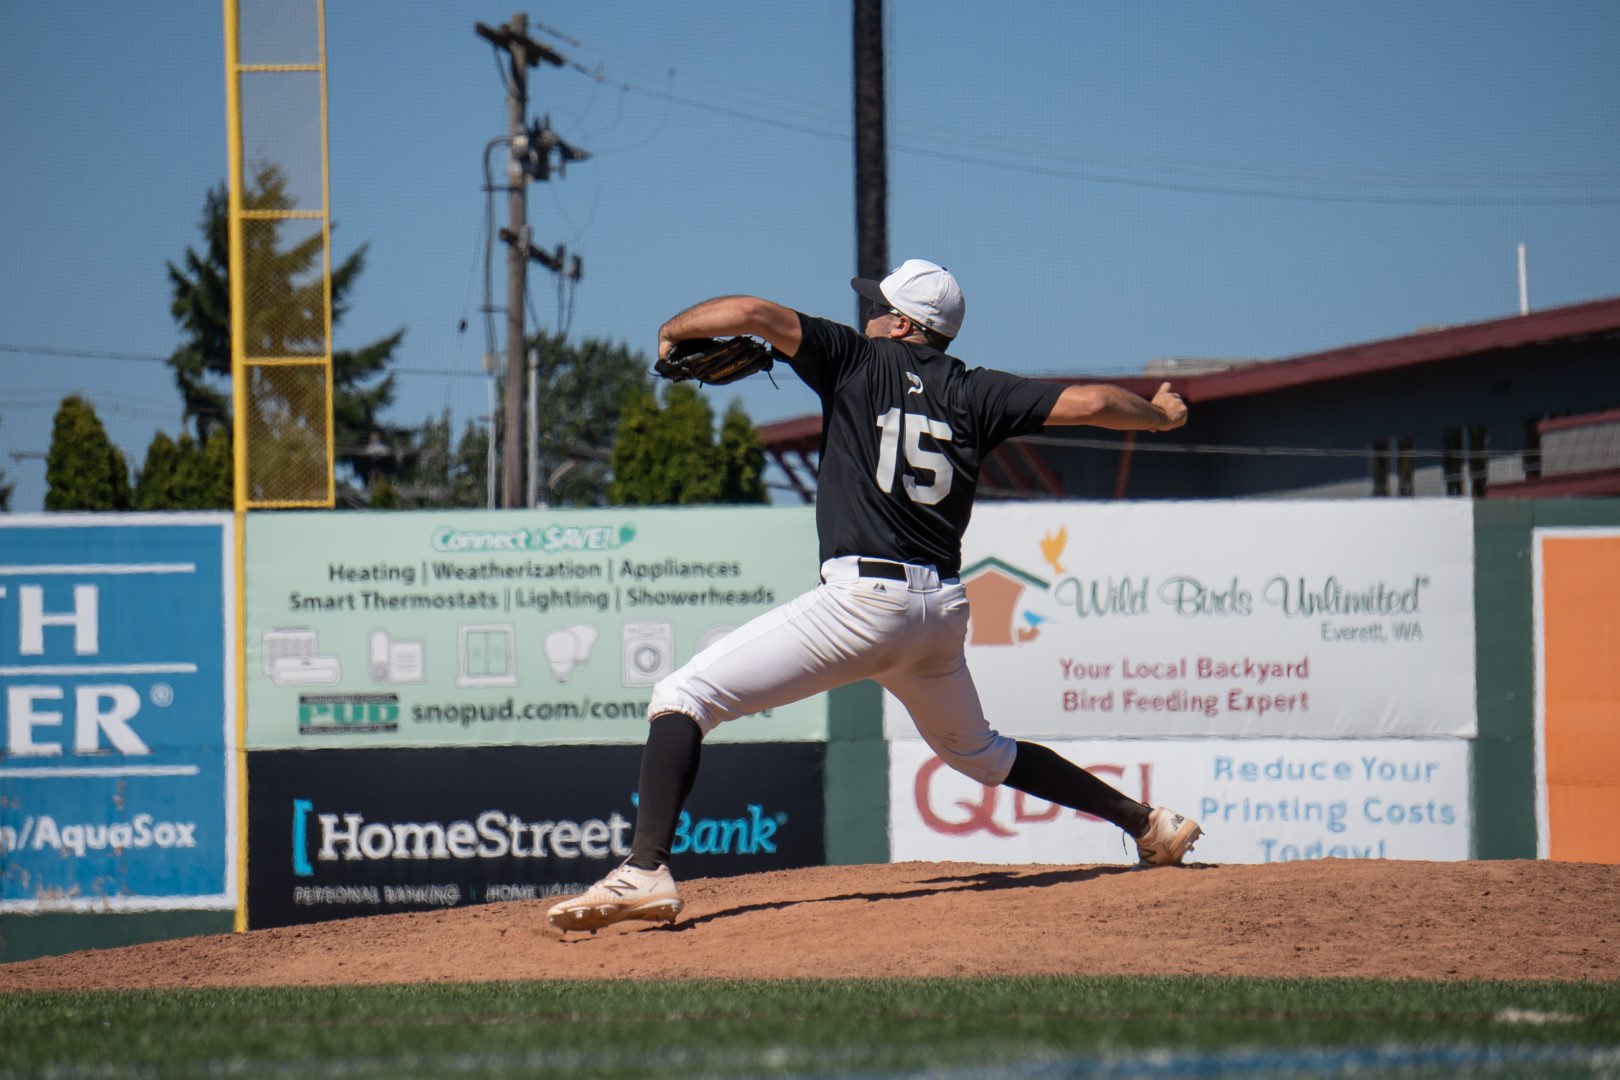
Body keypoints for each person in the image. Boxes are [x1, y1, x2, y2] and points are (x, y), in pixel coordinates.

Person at [548, 259, 1201, 932]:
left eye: (878, 307)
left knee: (683, 695)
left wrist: (672, 329)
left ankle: (644, 870)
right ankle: (1149, 824)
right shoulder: (977, 390)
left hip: (863, 603)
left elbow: (750, 312)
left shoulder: (854, 358)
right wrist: (1159, 416)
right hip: (938, 613)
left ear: (902, 324)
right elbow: (1092, 404)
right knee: (981, 753)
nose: (868, 316)